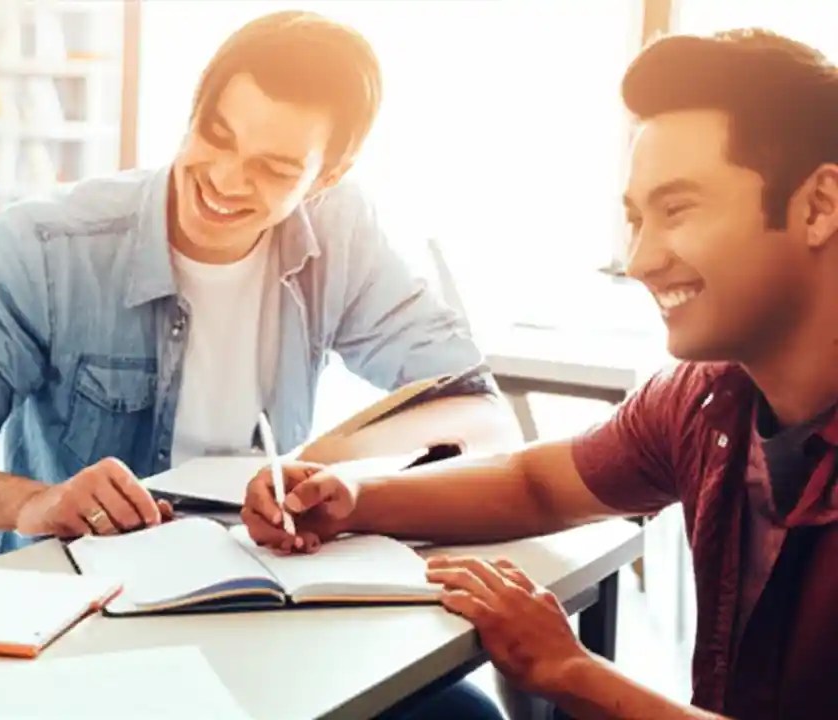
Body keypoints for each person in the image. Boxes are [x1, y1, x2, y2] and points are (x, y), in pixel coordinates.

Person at [243, 28, 838, 720]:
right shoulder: (707, 397)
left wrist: (571, 672)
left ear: (819, 207)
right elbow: (535, 484)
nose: (642, 259)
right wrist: (351, 496)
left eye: (678, 210)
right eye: (636, 219)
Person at [0, 10, 518, 560]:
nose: (228, 182)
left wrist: (330, 465)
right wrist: (36, 502)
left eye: (273, 168)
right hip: (73, 597)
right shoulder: (46, 246)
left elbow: (476, 409)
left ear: (325, 178)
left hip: (259, 582)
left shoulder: (339, 233)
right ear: (193, 113)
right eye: (217, 136)